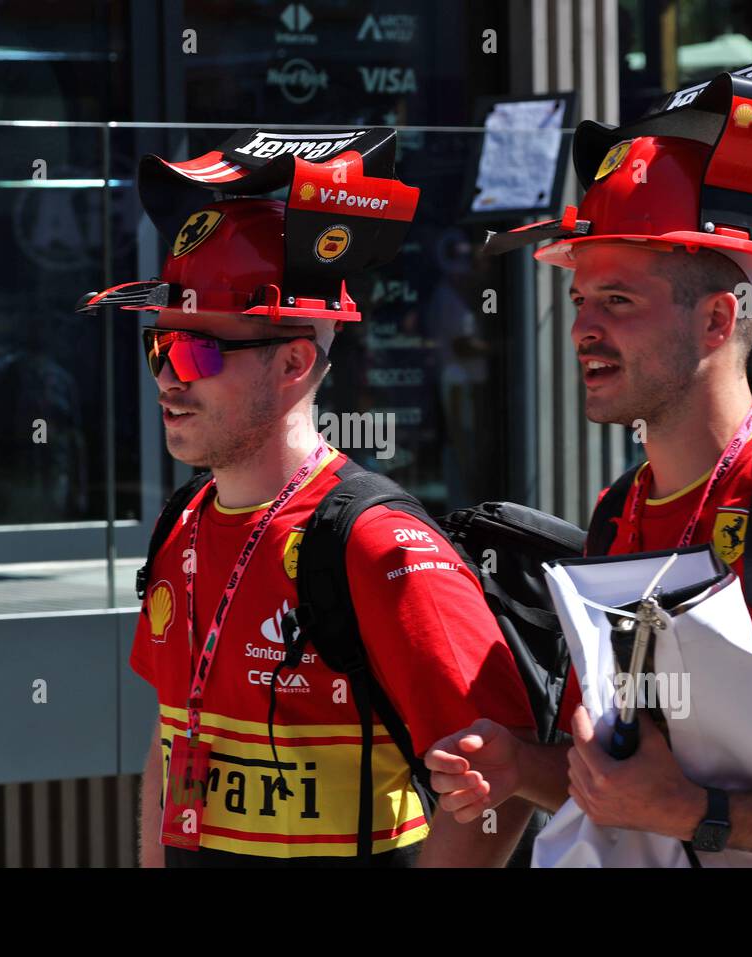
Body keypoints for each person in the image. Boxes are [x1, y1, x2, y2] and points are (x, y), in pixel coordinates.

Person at [428, 52, 752, 865]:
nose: (581, 330)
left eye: (618, 300)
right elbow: (618, 789)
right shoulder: (618, 512)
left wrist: (704, 813)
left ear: (716, 322)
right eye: (578, 300)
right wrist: (514, 767)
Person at [83, 129, 536, 867]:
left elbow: (504, 783)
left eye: (198, 350)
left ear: (294, 361)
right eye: (158, 347)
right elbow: (171, 741)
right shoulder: (183, 524)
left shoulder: (376, 543)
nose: (169, 377)